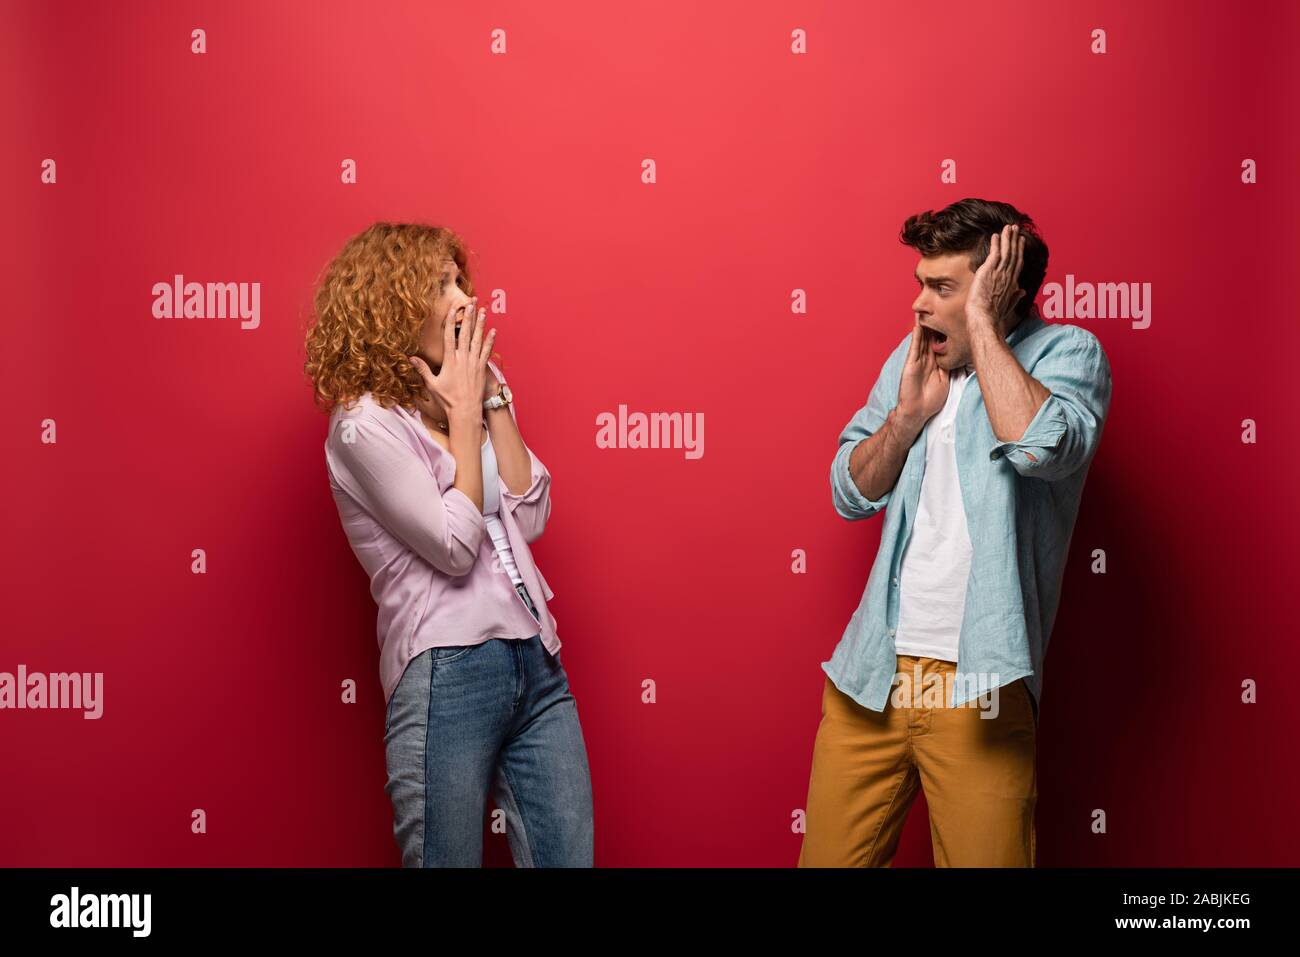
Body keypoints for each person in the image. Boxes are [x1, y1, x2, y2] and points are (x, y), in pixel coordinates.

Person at [799, 200, 1112, 867]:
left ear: (1000, 290)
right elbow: (849, 491)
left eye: (941, 288)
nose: (918, 304)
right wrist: (906, 419)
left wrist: (983, 327)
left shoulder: (1068, 353)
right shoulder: (911, 361)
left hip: (981, 684)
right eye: (919, 282)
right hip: (873, 676)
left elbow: (1040, 446)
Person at [305, 222, 593, 867]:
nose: (465, 298)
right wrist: (466, 417)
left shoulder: (458, 397)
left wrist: (491, 398)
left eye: (461, 280)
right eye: (442, 285)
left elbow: (533, 511)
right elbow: (454, 548)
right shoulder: (362, 425)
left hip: (535, 659)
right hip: (446, 672)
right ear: (394, 305)